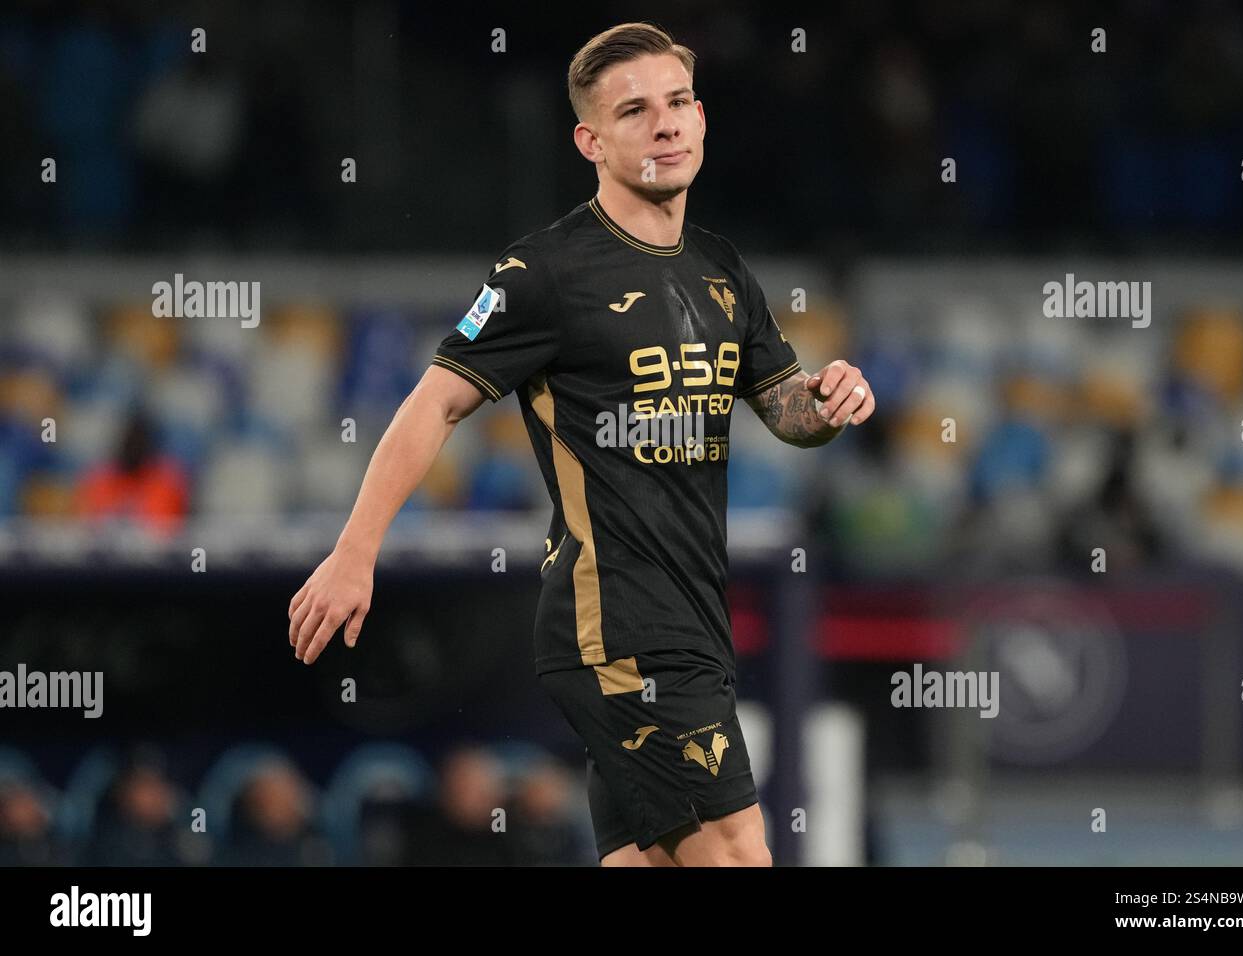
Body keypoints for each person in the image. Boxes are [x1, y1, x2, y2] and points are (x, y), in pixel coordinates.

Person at [288, 22, 875, 867]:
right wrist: (355, 551)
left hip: (696, 624)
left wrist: (826, 400)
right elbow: (434, 404)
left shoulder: (721, 268)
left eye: (678, 103)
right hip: (619, 629)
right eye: (635, 111)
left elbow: (782, 407)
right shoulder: (545, 274)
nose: (666, 125)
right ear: (590, 140)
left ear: (703, 118)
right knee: (743, 855)